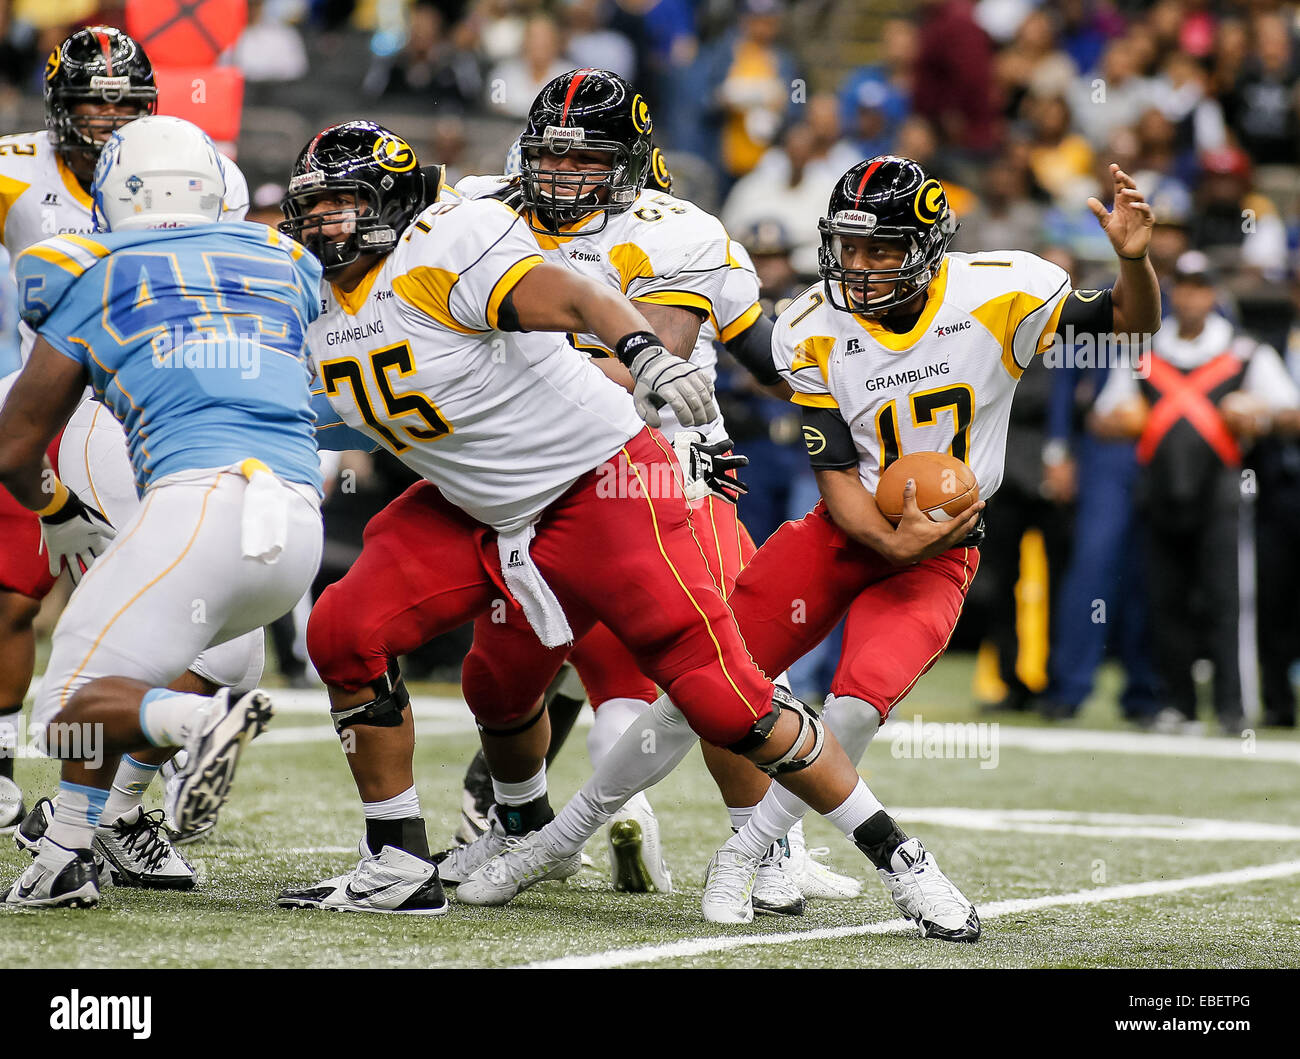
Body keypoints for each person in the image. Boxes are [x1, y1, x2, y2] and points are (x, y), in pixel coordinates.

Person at [452, 155, 1161, 933]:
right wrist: (894, 542)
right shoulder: (811, 325)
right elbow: (841, 487)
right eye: (848, 247)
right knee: (700, 685)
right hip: (847, 531)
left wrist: (1133, 261)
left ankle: (750, 850)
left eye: (881, 249)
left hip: (943, 545)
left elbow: (1131, 326)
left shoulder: (1000, 291)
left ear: (927, 246)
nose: (858, 267)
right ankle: (557, 838)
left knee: (855, 706)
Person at [273, 121, 940, 932]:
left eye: (345, 204)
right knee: (345, 631)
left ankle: (897, 856)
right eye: (314, 206)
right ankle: (400, 861)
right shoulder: (304, 286)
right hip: (472, 500)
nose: (324, 224)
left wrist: (645, 351)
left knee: (725, 698)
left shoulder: (443, 242)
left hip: (600, 481)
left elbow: (578, 296)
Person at [449, 70, 860, 910]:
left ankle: (767, 846)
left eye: (587, 158)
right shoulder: (482, 211)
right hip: (521, 470)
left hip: (655, 460)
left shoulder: (676, 233)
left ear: (632, 165)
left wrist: (852, 404)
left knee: (719, 660)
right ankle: (517, 821)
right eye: (549, 156)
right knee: (508, 660)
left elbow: (742, 360)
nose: (562, 175)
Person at [0, 116, 325, 909]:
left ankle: (197, 725)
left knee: (68, 709)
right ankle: (65, 857)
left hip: (200, 506)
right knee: (198, 655)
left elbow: (11, 448)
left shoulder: (86, 265)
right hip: (296, 524)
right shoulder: (286, 261)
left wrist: (57, 507)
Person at [0, 27, 252, 883]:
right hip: (76, 406)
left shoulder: (200, 168)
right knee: (172, 625)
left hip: (176, 403)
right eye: (92, 101)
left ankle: (101, 812)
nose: (109, 117)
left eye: (125, 101)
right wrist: (53, 498)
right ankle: (80, 819)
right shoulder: (15, 169)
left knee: (232, 646)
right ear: (58, 110)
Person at [1091, 250, 1300, 734]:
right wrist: (1121, 422)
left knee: (1229, 601)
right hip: (1160, 491)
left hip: (1223, 494)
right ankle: (1178, 704)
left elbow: (1292, 413)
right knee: (1165, 602)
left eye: (1201, 287)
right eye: (1182, 286)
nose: (1190, 296)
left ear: (1214, 295)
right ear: (1172, 293)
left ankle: (1233, 707)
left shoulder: (1245, 353)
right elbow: (1103, 417)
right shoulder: (1144, 354)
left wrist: (1261, 416)